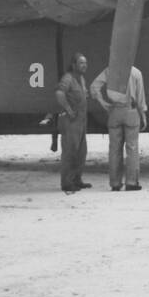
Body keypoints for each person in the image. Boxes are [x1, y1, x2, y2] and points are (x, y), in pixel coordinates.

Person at [91, 65, 147, 191]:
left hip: (114, 111)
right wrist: (143, 114)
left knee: (114, 149)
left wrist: (103, 102)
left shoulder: (109, 70)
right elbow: (140, 98)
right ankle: (131, 182)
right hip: (131, 111)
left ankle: (115, 183)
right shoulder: (136, 72)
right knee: (132, 148)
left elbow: (94, 87)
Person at [55, 53, 91, 194]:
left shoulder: (81, 79)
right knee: (70, 152)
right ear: (74, 65)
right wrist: (69, 109)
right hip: (71, 121)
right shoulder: (68, 78)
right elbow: (59, 93)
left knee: (81, 152)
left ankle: (77, 179)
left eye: (85, 63)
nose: (84, 65)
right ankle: (67, 183)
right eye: (81, 63)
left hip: (81, 120)